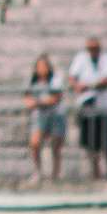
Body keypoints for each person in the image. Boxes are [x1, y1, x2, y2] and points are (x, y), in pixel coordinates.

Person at [69, 37, 107, 180]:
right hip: (87, 105)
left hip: (103, 106)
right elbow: (72, 77)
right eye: (90, 49)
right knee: (91, 144)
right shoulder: (81, 58)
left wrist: (89, 86)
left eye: (95, 49)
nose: (92, 52)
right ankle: (96, 173)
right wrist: (77, 86)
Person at [24, 53, 65, 185]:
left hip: (55, 116)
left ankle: (55, 174)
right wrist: (40, 102)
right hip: (40, 116)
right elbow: (28, 100)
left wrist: (38, 103)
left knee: (55, 146)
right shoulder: (32, 81)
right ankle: (38, 171)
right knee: (35, 143)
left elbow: (55, 99)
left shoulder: (55, 80)